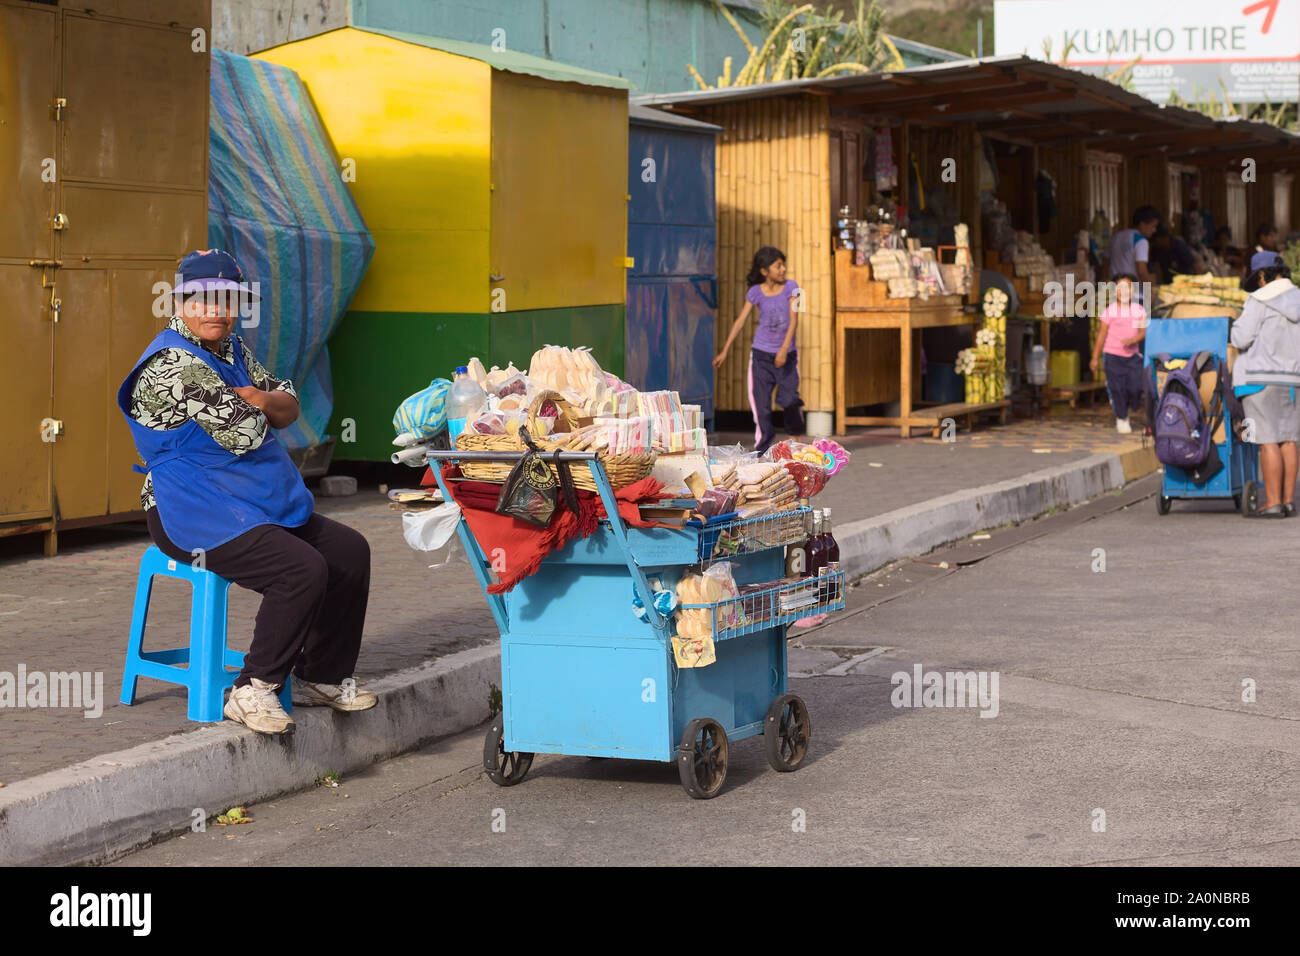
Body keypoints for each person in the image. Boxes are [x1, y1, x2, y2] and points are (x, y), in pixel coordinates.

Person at [117, 249, 376, 733]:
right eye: (202, 299)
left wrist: (260, 398)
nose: (215, 309)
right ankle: (253, 688)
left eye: (226, 299)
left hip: (246, 500)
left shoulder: (230, 349)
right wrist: (265, 405)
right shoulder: (172, 364)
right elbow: (245, 434)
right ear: (180, 301)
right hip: (189, 512)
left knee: (349, 551)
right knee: (301, 570)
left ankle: (320, 675)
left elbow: (287, 402)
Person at [714, 246, 805, 453]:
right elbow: (739, 322)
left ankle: (797, 446)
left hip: (787, 356)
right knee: (761, 407)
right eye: (778, 266)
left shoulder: (794, 287)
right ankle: (762, 453)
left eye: (783, 264)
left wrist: (783, 350)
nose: (783, 269)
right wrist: (725, 350)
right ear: (764, 271)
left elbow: (794, 321)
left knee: (790, 399)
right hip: (761, 356)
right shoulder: (754, 292)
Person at [1230, 252, 1300, 517]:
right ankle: (1288, 500)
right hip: (1293, 380)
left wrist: (1233, 328)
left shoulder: (1258, 300)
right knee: (1289, 440)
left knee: (1266, 441)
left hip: (1259, 380)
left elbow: (1240, 338)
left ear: (1262, 276)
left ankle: (1272, 502)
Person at [1089, 274, 1147, 434]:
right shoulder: (1109, 311)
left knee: (1136, 387)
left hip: (1133, 357)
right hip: (1112, 356)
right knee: (1118, 388)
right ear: (1115, 292)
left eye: (1127, 287)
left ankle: (1128, 405)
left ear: (1132, 290)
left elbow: (1143, 331)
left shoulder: (1139, 310)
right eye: (1119, 288)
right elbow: (1101, 335)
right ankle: (1122, 417)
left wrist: (1134, 339)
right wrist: (1095, 357)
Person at [1107, 206, 1160, 304]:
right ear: (1142, 224)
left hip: (1114, 293)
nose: (1154, 230)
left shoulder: (1115, 237)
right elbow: (1142, 271)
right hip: (1134, 295)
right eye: (1153, 226)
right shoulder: (1141, 241)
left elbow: (1106, 263)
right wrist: (1150, 292)